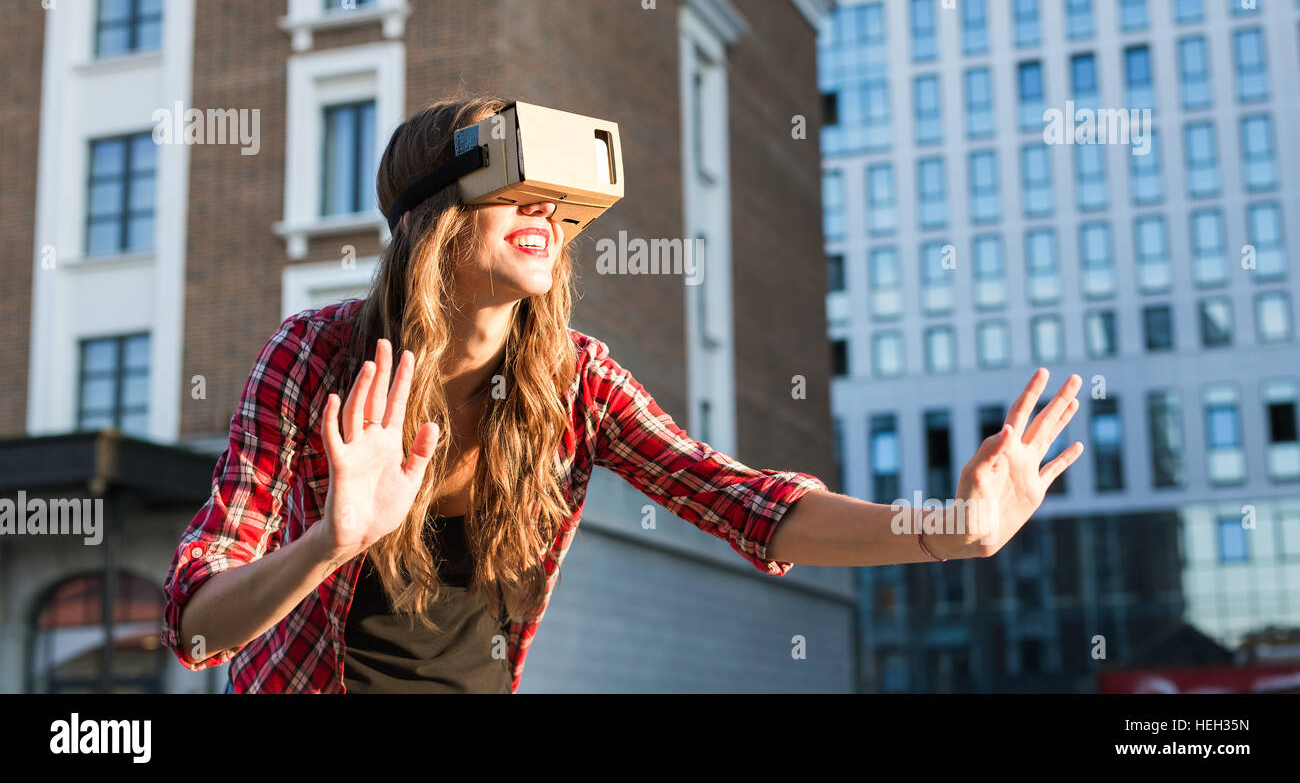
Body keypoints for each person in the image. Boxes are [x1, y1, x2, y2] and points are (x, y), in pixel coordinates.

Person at [162, 95, 1084, 693]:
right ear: (433, 219)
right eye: (520, 193)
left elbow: (739, 502)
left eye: (561, 207)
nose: (548, 218)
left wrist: (942, 532)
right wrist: (331, 543)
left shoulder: (575, 377)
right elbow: (195, 624)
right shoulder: (316, 356)